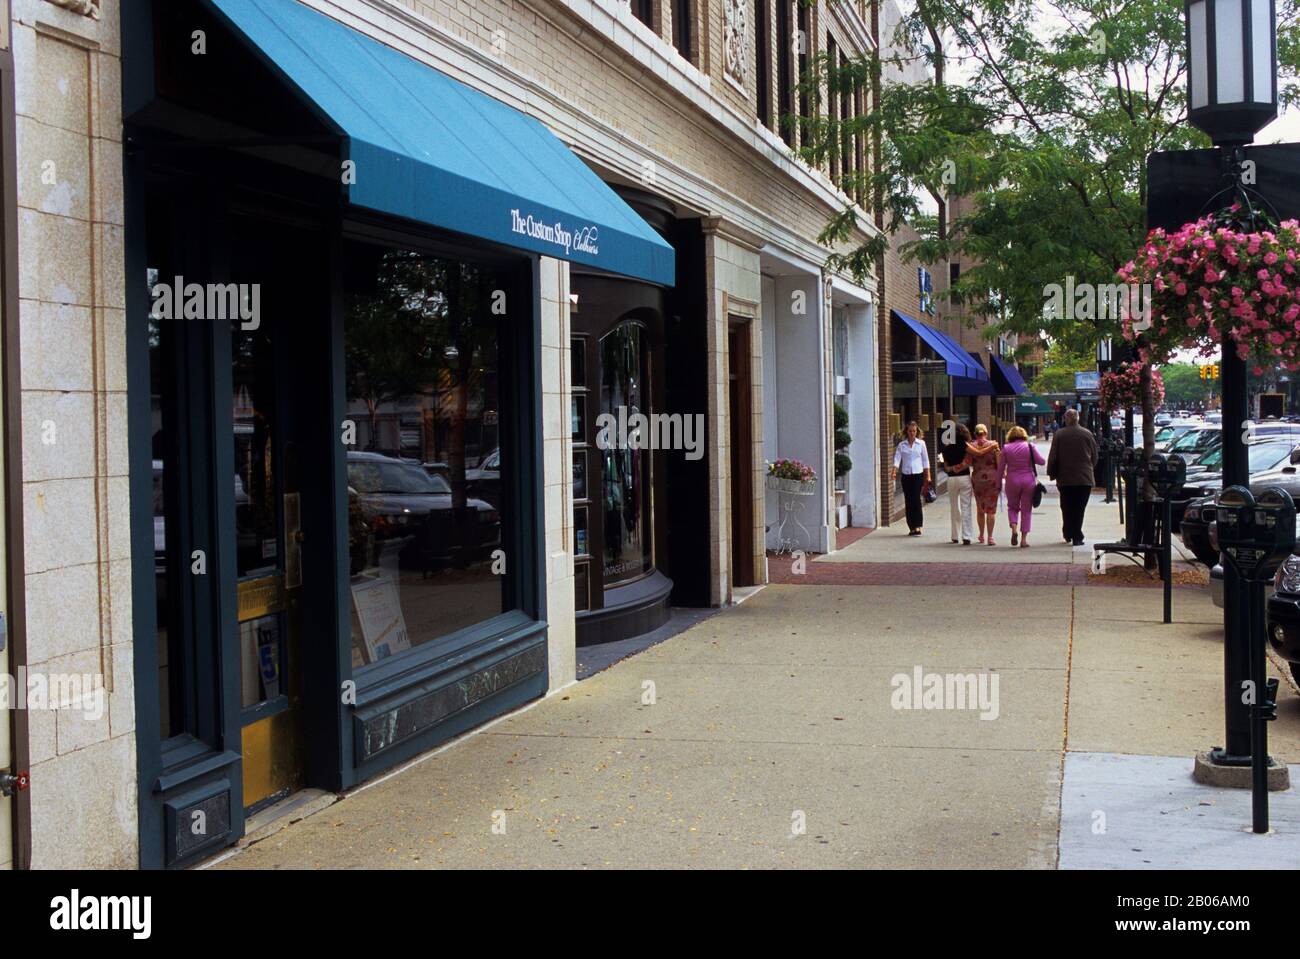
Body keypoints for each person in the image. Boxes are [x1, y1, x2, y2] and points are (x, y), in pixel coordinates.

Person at [1046, 407, 1098, 546]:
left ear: (1065, 419)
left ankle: (1068, 531)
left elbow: (1053, 456)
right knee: (1080, 507)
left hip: (1065, 478)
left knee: (1066, 506)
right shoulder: (1087, 434)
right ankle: (1077, 535)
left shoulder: (1059, 434)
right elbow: (1095, 456)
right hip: (1084, 478)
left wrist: (1052, 472)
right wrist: (1090, 468)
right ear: (1078, 418)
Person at [999, 425, 1046, 547]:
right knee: (1026, 510)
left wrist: (997, 482)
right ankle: (1023, 540)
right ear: (1024, 435)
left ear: (1011, 436)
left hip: (1012, 480)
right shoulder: (1030, 446)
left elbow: (1000, 469)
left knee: (1012, 507)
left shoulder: (1006, 448)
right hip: (1028, 480)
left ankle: (1014, 528)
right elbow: (1042, 461)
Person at [964, 424, 1001, 545]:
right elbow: (999, 462)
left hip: (978, 479)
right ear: (986, 433)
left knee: (980, 509)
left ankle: (981, 535)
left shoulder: (971, 446)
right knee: (991, 509)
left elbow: (968, 462)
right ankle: (990, 537)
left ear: (975, 434)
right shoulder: (994, 445)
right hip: (992, 479)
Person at [892, 420, 931, 536]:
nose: (912, 433)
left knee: (916, 499)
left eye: (914, 431)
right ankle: (911, 527)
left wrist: (928, 474)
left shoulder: (921, 444)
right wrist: (894, 470)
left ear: (917, 431)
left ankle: (918, 525)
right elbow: (897, 459)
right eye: (910, 431)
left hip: (918, 475)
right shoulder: (901, 445)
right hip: (906, 476)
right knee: (908, 501)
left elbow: (925, 460)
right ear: (906, 432)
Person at [940, 422, 974, 544]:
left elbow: (946, 467)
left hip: (951, 479)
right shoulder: (966, 446)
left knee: (954, 507)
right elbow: (969, 461)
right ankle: (967, 536)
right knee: (966, 507)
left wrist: (952, 468)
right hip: (964, 477)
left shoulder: (946, 447)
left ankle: (954, 536)